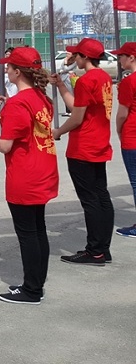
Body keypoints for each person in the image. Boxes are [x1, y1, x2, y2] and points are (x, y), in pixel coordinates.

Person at [0, 47, 58, 304]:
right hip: (42, 169)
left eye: (9, 67)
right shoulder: (40, 97)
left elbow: (6, 144)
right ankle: (35, 283)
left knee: (28, 234)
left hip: (25, 174)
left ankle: (31, 289)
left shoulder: (18, 103)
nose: (6, 70)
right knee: (38, 230)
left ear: (18, 71)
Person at [52, 38, 114, 266]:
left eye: (76, 55)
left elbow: (76, 117)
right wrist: (60, 86)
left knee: (90, 201)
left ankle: (94, 250)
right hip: (98, 143)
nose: (74, 58)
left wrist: (58, 131)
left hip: (83, 147)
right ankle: (102, 248)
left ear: (85, 57)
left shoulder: (87, 80)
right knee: (101, 197)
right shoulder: (104, 77)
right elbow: (78, 106)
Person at [115, 42, 136, 238]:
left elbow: (122, 113)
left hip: (132, 136)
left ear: (131, 58)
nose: (119, 59)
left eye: (122, 56)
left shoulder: (130, 82)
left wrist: (118, 130)